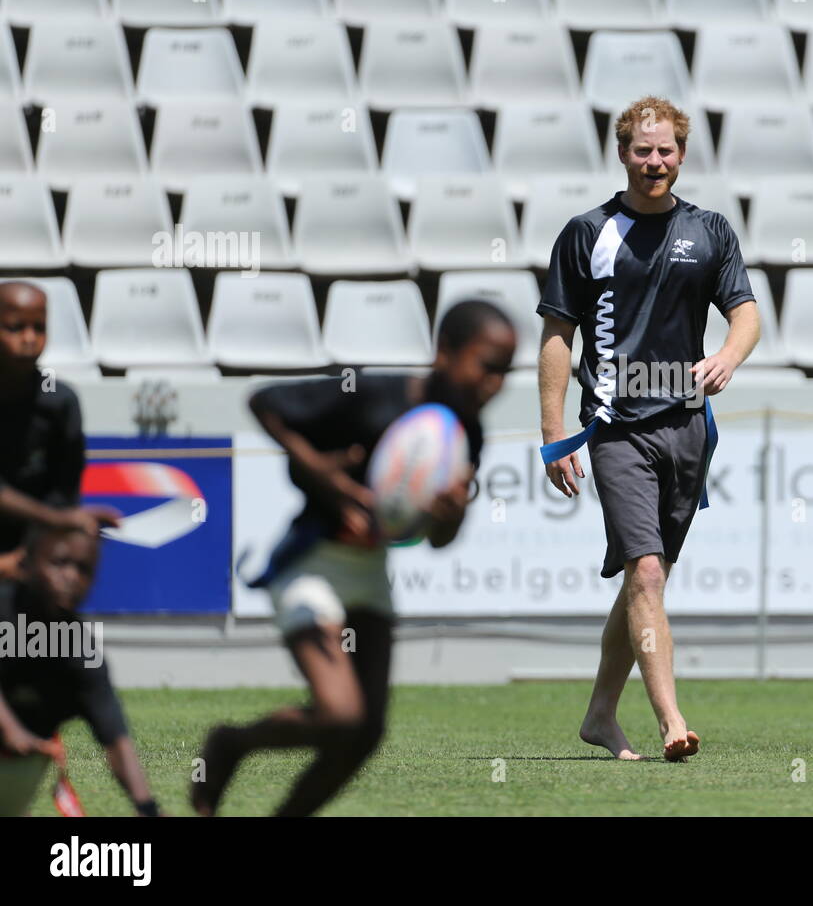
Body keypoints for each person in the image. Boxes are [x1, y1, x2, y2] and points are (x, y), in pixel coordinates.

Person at [191, 301, 516, 816]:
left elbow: (437, 541)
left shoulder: (468, 434)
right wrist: (330, 480)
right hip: (311, 567)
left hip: (370, 576)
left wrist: (452, 514)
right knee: (340, 715)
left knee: (366, 733)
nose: (494, 383)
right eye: (486, 364)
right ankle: (232, 744)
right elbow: (264, 403)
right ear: (445, 352)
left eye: (505, 371)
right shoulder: (372, 395)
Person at [537, 95, 760, 761]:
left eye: (665, 150)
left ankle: (600, 715)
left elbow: (745, 312)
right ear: (622, 153)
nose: (653, 161)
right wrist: (553, 434)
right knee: (650, 576)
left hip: (688, 430)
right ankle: (671, 720)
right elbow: (556, 336)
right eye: (642, 150)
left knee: (644, 580)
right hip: (615, 427)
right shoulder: (586, 233)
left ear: (682, 156)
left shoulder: (711, 230)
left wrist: (727, 355)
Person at [0, 525, 159, 816]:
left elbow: (116, 739)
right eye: (59, 563)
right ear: (26, 565)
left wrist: (148, 809)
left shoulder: (79, 655)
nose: (71, 576)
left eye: (84, 569)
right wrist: (12, 730)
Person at [0, 281, 118, 580]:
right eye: (15, 327)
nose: (29, 339)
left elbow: (63, 492)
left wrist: (37, 552)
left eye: (39, 328)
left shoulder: (61, 402)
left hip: (30, 553)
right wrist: (58, 519)